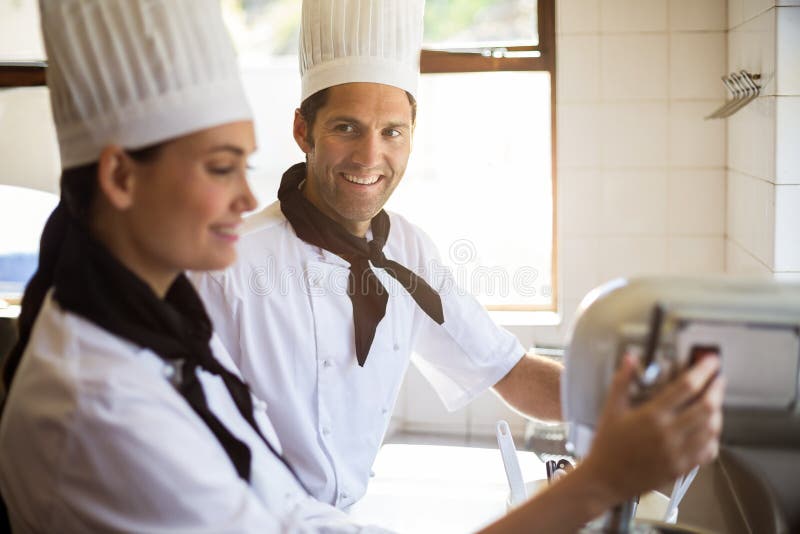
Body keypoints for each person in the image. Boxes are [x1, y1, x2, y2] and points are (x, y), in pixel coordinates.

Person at [191, 0, 723, 516]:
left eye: (391, 132)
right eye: (346, 127)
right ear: (303, 130)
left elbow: (508, 370)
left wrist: (636, 403)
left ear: (411, 138)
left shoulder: (408, 249)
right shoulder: (230, 263)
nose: (370, 156)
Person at [0, 1, 387, 532]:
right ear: (120, 177)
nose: (246, 196)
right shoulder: (99, 403)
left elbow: (285, 508)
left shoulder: (174, 334)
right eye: (221, 168)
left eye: (245, 166)